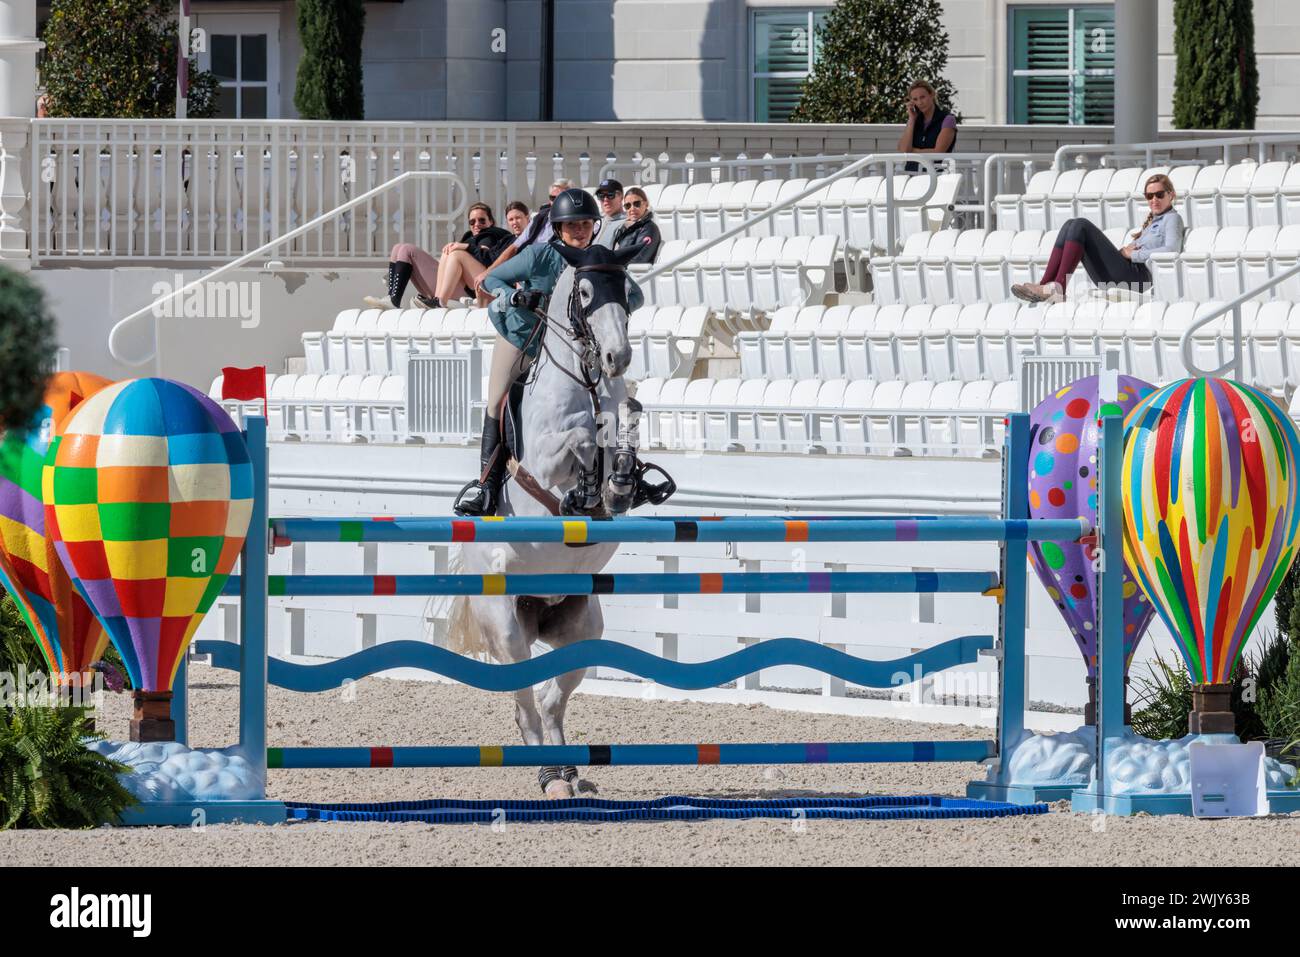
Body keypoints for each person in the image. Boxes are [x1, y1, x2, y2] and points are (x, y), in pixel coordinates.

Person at [453, 188, 646, 517]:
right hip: (524, 335)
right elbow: (490, 280)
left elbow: (636, 296)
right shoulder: (539, 254)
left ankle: (628, 473)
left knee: (624, 399)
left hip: (577, 348)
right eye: (572, 225)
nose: (580, 230)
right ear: (558, 228)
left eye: (585, 223)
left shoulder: (600, 257)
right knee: (499, 400)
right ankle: (487, 484)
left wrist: (616, 300)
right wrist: (515, 297)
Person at [1011, 174, 1184, 304]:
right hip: (1125, 274)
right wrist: (1124, 252)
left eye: (1159, 194)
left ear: (1171, 194)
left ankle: (1058, 287)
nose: (1154, 199)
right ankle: (1046, 285)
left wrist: (1132, 255)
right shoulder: (1153, 221)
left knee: (1081, 225)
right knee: (1069, 225)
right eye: (1149, 196)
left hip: (1139, 279)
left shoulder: (1172, 219)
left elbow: (1172, 250)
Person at [363, 203, 513, 310]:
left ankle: (398, 300)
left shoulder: (490, 235)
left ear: (491, 222)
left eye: (482, 220)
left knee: (408, 250)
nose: (476, 224)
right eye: (472, 221)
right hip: (453, 286)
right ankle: (392, 297)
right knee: (398, 248)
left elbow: (486, 257)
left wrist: (464, 247)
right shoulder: (470, 238)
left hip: (472, 290)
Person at [897, 80, 957, 174]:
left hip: (936, 175)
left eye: (922, 97)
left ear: (932, 95)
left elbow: (938, 152)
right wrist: (911, 119)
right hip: (911, 175)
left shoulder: (947, 119)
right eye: (915, 99)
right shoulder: (914, 120)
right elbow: (904, 149)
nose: (920, 102)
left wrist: (912, 151)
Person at [611, 186, 661, 264]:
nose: (632, 209)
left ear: (646, 204)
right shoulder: (624, 228)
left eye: (637, 204)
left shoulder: (650, 228)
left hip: (631, 275)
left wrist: (613, 268)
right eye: (628, 206)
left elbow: (639, 260)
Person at [593, 178, 625, 248]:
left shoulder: (626, 224)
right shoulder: (597, 221)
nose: (605, 200)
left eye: (610, 195)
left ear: (621, 197)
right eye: (601, 196)